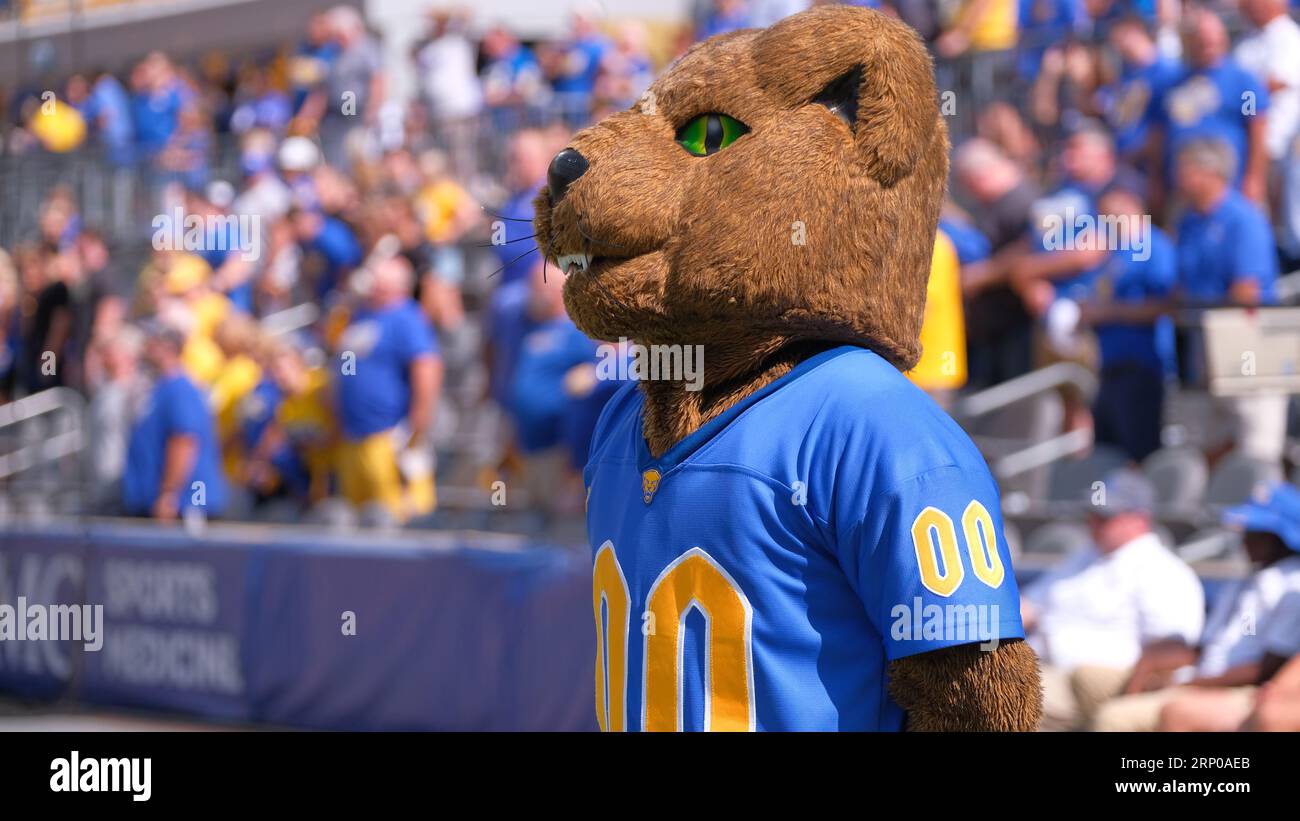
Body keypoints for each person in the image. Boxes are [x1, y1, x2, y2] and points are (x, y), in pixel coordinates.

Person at [1086, 481, 1300, 731]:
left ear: (1280, 536)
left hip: (1238, 691)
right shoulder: (1248, 579)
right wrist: (1152, 665)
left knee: (1116, 718)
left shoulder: (1291, 587)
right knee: (1096, 683)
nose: (1245, 538)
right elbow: (1207, 648)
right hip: (1203, 679)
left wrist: (1188, 685)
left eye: (1257, 531)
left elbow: (1266, 669)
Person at [1021, 469, 1204, 730]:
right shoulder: (1084, 557)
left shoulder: (1163, 570)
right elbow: (1028, 606)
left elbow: (1173, 650)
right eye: (1092, 515)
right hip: (1049, 670)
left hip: (1101, 682)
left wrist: (1132, 693)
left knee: (1000, 699)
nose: (1094, 524)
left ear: (1139, 519)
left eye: (1105, 517)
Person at [1173, 138, 1285, 465]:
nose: (1178, 176)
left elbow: (1247, 289)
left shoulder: (1242, 218)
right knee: (1206, 443)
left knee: (1256, 447)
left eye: (1186, 169)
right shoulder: (1188, 221)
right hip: (1202, 344)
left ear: (1211, 173)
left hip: (1247, 342)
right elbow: (1180, 289)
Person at [334, 255, 442, 522]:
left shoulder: (406, 317)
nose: (369, 284)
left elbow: (427, 366)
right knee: (356, 523)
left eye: (377, 280)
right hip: (354, 438)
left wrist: (417, 423)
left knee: (394, 521)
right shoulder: (360, 315)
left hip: (390, 437)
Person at [1079, 184, 1177, 462]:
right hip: (1111, 367)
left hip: (1141, 365)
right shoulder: (1115, 253)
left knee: (1139, 453)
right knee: (1108, 453)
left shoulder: (1154, 245)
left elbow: (1165, 304)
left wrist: (1107, 313)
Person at [1149, 7, 1270, 206]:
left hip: (1230, 184)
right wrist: (1156, 179)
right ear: (1188, 41)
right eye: (1201, 40)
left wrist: (1255, 178)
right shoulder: (1170, 84)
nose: (1208, 44)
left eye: (1213, 39)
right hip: (1181, 184)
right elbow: (1157, 134)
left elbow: (1257, 127)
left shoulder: (1244, 82)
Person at [123, 321, 227, 520]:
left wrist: (169, 494)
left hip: (186, 506)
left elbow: (184, 441)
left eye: (150, 343)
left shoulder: (181, 389)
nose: (144, 348)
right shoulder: (160, 387)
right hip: (163, 505)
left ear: (168, 348)